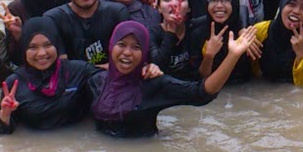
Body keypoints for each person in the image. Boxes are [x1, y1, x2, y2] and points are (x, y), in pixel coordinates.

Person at [89, 20, 258, 138]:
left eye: (136, 47)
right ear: (111, 46)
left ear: (143, 54)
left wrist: (233, 56)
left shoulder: (153, 83)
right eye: (121, 44)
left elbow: (202, 92)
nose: (127, 52)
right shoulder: (96, 81)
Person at [0, 16, 96, 135]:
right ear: (24, 49)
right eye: (32, 47)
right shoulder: (14, 84)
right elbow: (1, 138)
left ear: (57, 45)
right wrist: (5, 115)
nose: (41, 53)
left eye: (47, 45)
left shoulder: (80, 72)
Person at [187, 0, 252, 87]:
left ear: (235, 2)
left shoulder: (247, 32)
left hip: (245, 90)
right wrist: (209, 56)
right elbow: (200, 81)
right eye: (213, 0)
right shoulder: (197, 32)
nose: (219, 5)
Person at [150, 0, 198, 81]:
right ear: (158, 7)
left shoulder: (194, 28)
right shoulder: (151, 33)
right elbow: (158, 66)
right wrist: (170, 32)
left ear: (189, 8)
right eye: (167, 0)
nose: (175, 4)